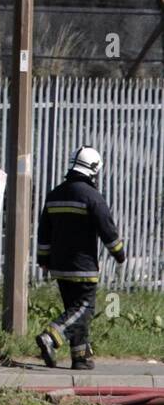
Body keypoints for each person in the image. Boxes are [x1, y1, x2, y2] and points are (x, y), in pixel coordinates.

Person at [34, 147, 126, 371]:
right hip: (83, 267)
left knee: (74, 311)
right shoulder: (92, 197)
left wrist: (43, 259)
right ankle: (51, 335)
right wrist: (119, 253)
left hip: (60, 267)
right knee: (84, 309)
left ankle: (80, 358)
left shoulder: (54, 195)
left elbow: (43, 231)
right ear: (94, 171)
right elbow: (108, 231)